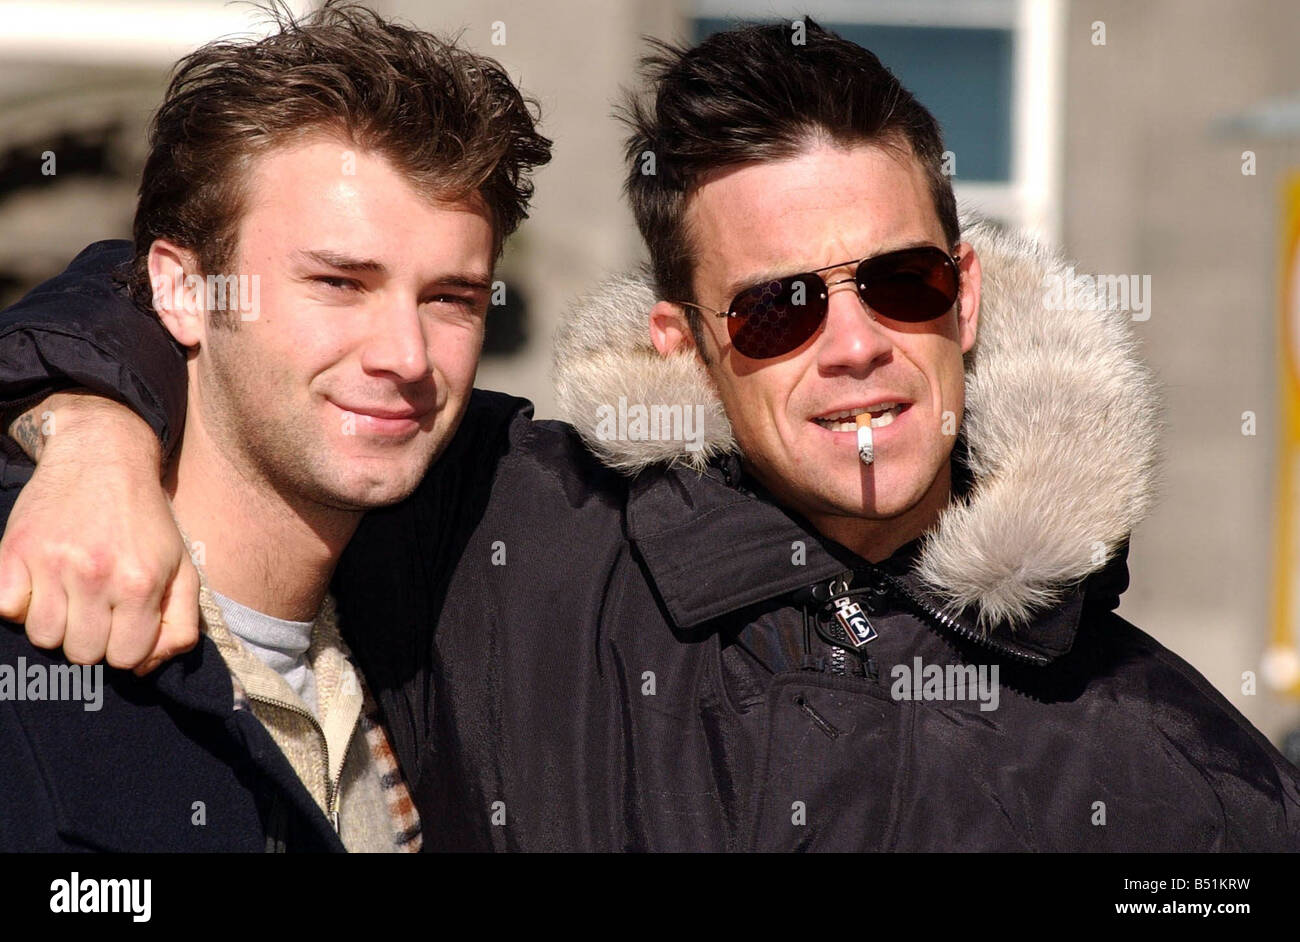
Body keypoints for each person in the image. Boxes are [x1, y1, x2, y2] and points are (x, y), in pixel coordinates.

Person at [2, 18, 1296, 851]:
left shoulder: (1180, 765)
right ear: (685, 340)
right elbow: (197, 301)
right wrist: (88, 428)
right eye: (781, 304)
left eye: (898, 283)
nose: (853, 343)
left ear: (965, 292)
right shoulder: (529, 533)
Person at [0, 1, 550, 851]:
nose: (406, 355)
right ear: (183, 291)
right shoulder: (31, 616)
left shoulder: (457, 602)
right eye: (338, 282)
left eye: (451, 299)